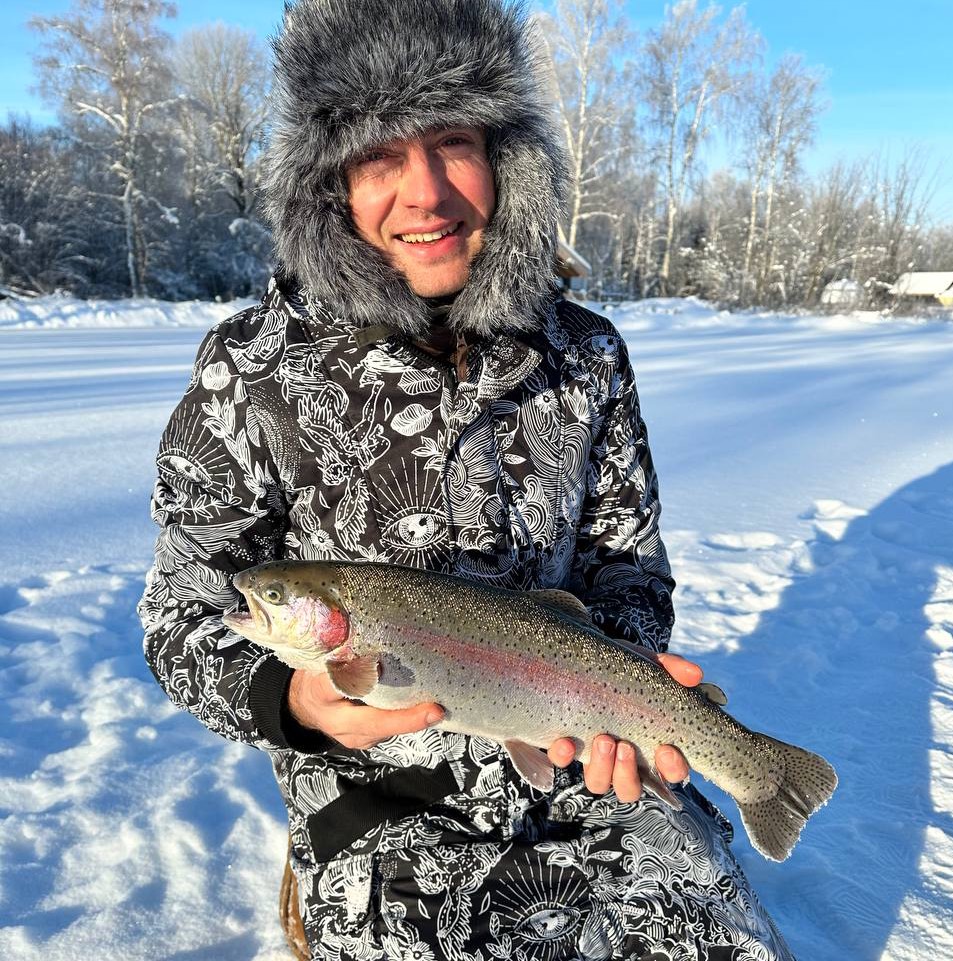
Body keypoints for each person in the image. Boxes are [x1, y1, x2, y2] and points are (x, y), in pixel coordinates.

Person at [139, 1, 795, 959]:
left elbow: (627, 569)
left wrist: (619, 688)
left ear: (507, 160)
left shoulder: (587, 355)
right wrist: (292, 703)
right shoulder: (252, 369)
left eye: (454, 141)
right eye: (378, 157)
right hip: (374, 801)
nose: (427, 194)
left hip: (582, 768)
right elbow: (184, 615)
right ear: (328, 186)